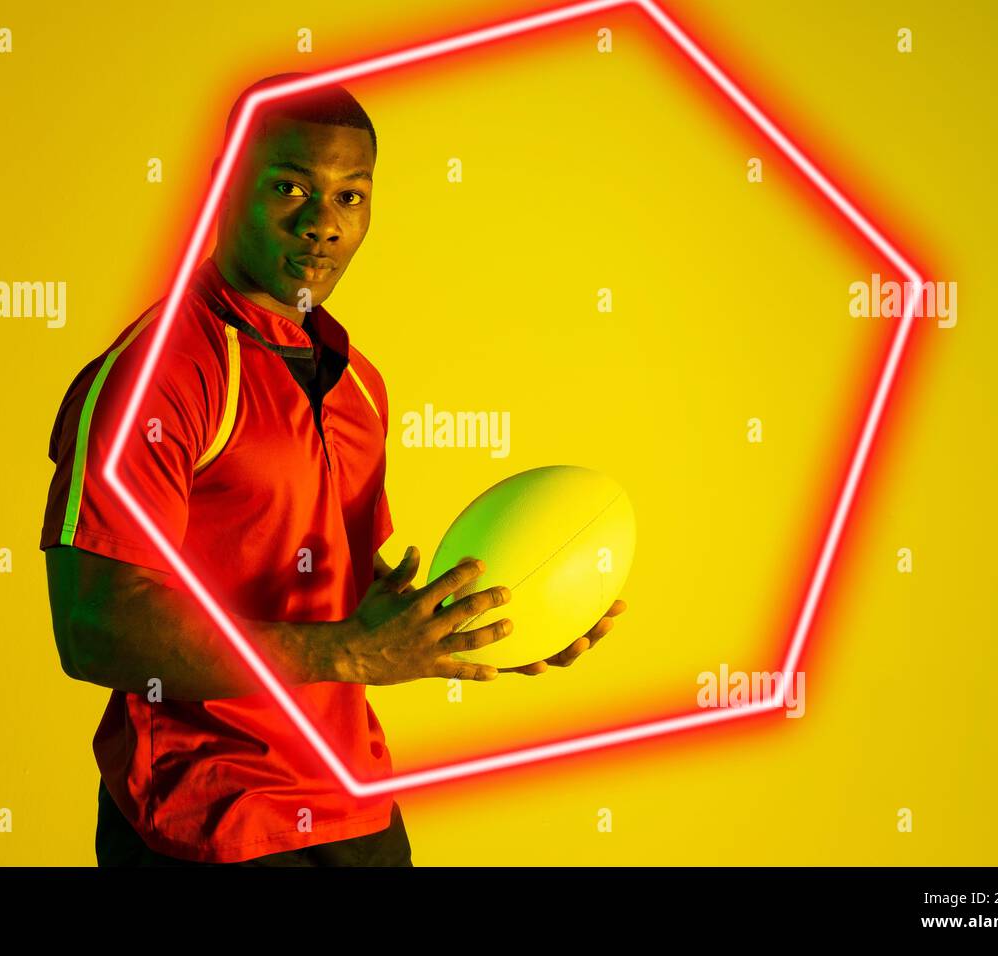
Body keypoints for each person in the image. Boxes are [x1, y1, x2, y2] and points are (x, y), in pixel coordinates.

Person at [39, 73, 626, 867]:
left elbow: (339, 593)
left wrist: (484, 624)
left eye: (351, 197)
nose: (322, 225)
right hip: (209, 820)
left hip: (353, 810)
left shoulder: (358, 383)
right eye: (289, 187)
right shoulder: (159, 374)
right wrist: (348, 653)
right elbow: (92, 627)